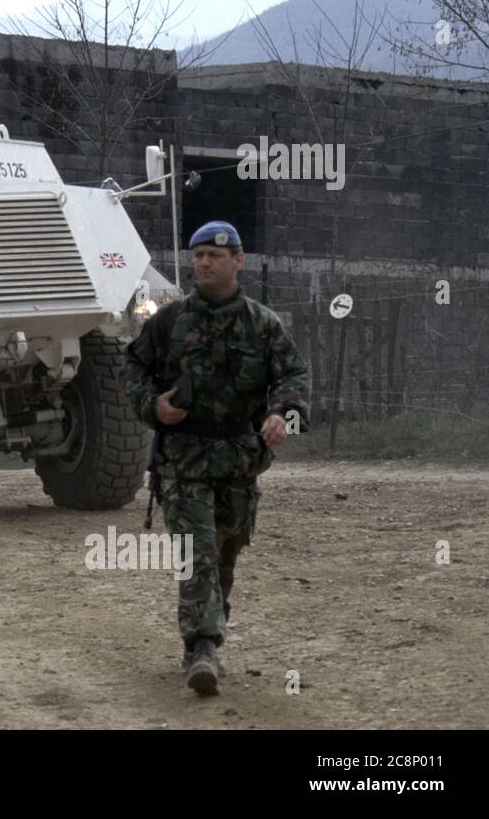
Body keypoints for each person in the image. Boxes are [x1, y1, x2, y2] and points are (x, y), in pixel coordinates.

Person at [121, 221, 310, 696]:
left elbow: (293, 374)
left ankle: (207, 634)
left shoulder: (263, 324)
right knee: (196, 552)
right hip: (183, 458)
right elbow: (132, 366)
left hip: (240, 460)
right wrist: (153, 406)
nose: (203, 263)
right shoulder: (169, 321)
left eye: (214, 255)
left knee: (225, 554)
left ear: (238, 261)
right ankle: (202, 646)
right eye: (198, 255)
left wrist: (282, 414)